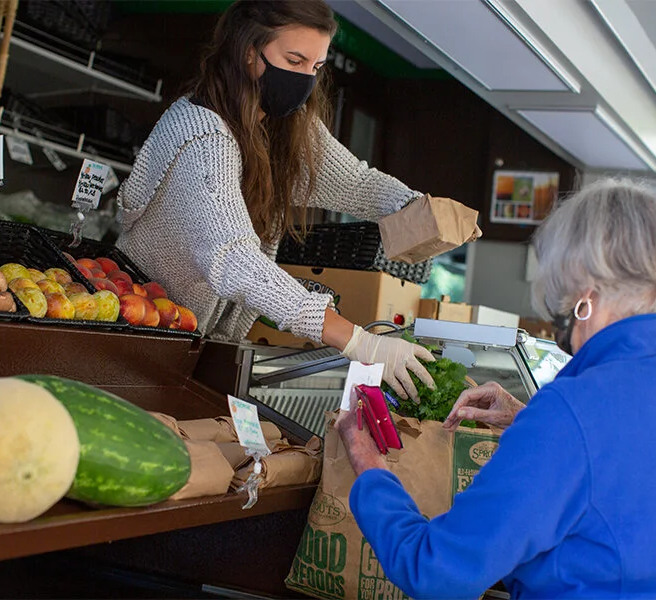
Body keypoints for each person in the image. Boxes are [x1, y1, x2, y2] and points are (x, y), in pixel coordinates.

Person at [336, 179, 656, 599]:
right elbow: (638, 480)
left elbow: (434, 571)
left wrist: (369, 464)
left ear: (584, 292)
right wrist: (527, 419)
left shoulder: (571, 413)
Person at [115, 0, 461, 401]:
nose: (305, 79)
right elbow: (235, 259)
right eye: (294, 60)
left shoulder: (283, 124)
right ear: (249, 51)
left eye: (315, 67)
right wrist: (360, 343)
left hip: (199, 344)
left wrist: (426, 212)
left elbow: (355, 183)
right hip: (141, 333)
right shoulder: (202, 135)